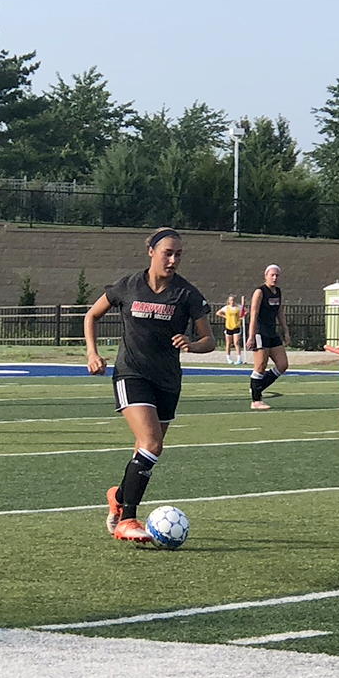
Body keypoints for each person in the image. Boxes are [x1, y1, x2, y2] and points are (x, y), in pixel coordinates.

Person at [85, 228, 214, 544]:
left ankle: (119, 497)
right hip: (131, 374)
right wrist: (92, 353)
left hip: (168, 381)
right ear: (151, 252)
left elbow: (209, 340)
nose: (173, 260)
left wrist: (192, 344)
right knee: (152, 443)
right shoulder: (128, 286)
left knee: (145, 450)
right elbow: (92, 315)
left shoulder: (187, 294)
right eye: (168, 253)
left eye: (178, 255)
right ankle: (127, 520)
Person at [247, 264, 290, 410]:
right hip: (260, 332)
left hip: (272, 333)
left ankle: (257, 387)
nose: (274, 278)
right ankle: (256, 400)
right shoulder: (260, 292)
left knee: (282, 364)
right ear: (266, 276)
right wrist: (251, 336)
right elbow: (253, 314)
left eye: (277, 275)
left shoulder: (278, 292)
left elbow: (280, 312)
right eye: (272, 275)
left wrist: (286, 331)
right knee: (260, 366)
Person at [216, 294, 246, 364]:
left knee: (236, 342)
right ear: (229, 301)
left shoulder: (238, 307)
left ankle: (239, 358)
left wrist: (242, 316)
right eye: (231, 300)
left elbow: (246, 311)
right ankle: (228, 358)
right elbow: (218, 313)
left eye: (233, 300)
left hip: (236, 326)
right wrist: (225, 317)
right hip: (229, 327)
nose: (232, 302)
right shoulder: (226, 308)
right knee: (228, 343)